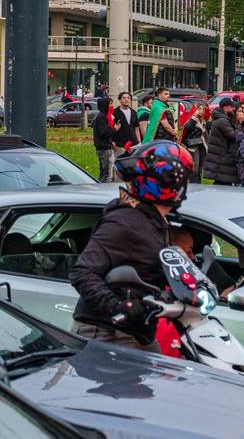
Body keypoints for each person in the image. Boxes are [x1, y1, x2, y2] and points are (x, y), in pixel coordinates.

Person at [69, 141, 195, 351]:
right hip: (105, 332)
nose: (185, 186)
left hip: (136, 329)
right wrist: (119, 306)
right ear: (167, 183)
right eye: (183, 179)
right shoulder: (125, 222)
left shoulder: (155, 220)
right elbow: (82, 271)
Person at [203, 99, 240, 186]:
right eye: (232, 107)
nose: (234, 109)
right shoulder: (222, 121)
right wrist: (240, 124)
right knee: (223, 183)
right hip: (221, 156)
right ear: (226, 108)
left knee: (222, 183)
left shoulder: (222, 119)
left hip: (221, 155)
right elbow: (233, 136)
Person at [110, 92, 139, 177]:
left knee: (131, 165)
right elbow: (111, 128)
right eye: (124, 98)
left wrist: (139, 141)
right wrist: (112, 142)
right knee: (119, 165)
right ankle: (116, 182)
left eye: (128, 98)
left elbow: (136, 128)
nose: (126, 100)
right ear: (119, 100)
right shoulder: (115, 112)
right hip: (119, 144)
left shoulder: (134, 112)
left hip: (133, 143)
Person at [180, 102, 209, 183]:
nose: (201, 111)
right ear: (195, 110)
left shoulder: (203, 121)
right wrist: (194, 118)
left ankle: (198, 184)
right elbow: (187, 129)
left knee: (200, 168)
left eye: (202, 109)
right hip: (192, 147)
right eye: (199, 109)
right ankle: (193, 184)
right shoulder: (191, 121)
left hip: (201, 146)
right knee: (194, 169)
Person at [92, 97, 114, 183]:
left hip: (103, 148)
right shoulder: (101, 117)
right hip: (104, 149)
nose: (111, 106)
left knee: (103, 173)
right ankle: (104, 191)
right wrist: (114, 129)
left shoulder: (102, 116)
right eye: (110, 104)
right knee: (107, 175)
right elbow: (104, 132)